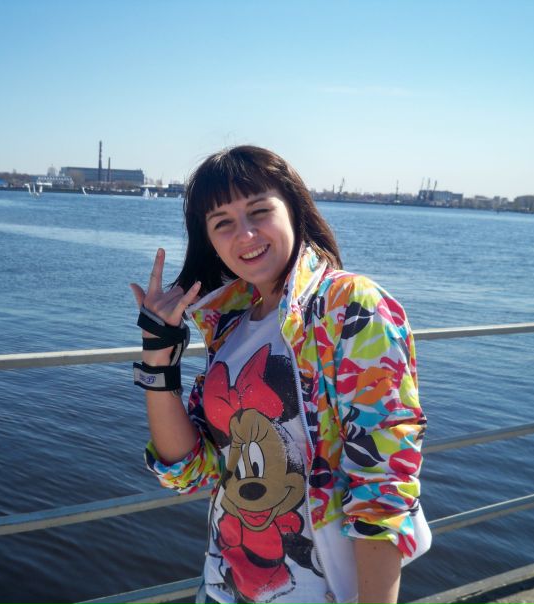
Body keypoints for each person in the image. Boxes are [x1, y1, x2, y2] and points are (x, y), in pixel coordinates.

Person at [129, 146, 430, 604]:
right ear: (209, 240)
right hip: (224, 588)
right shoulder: (229, 327)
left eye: (259, 211)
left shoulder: (350, 307)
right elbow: (192, 471)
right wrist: (158, 359)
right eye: (222, 223)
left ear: (294, 208)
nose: (245, 234)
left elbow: (384, 484)